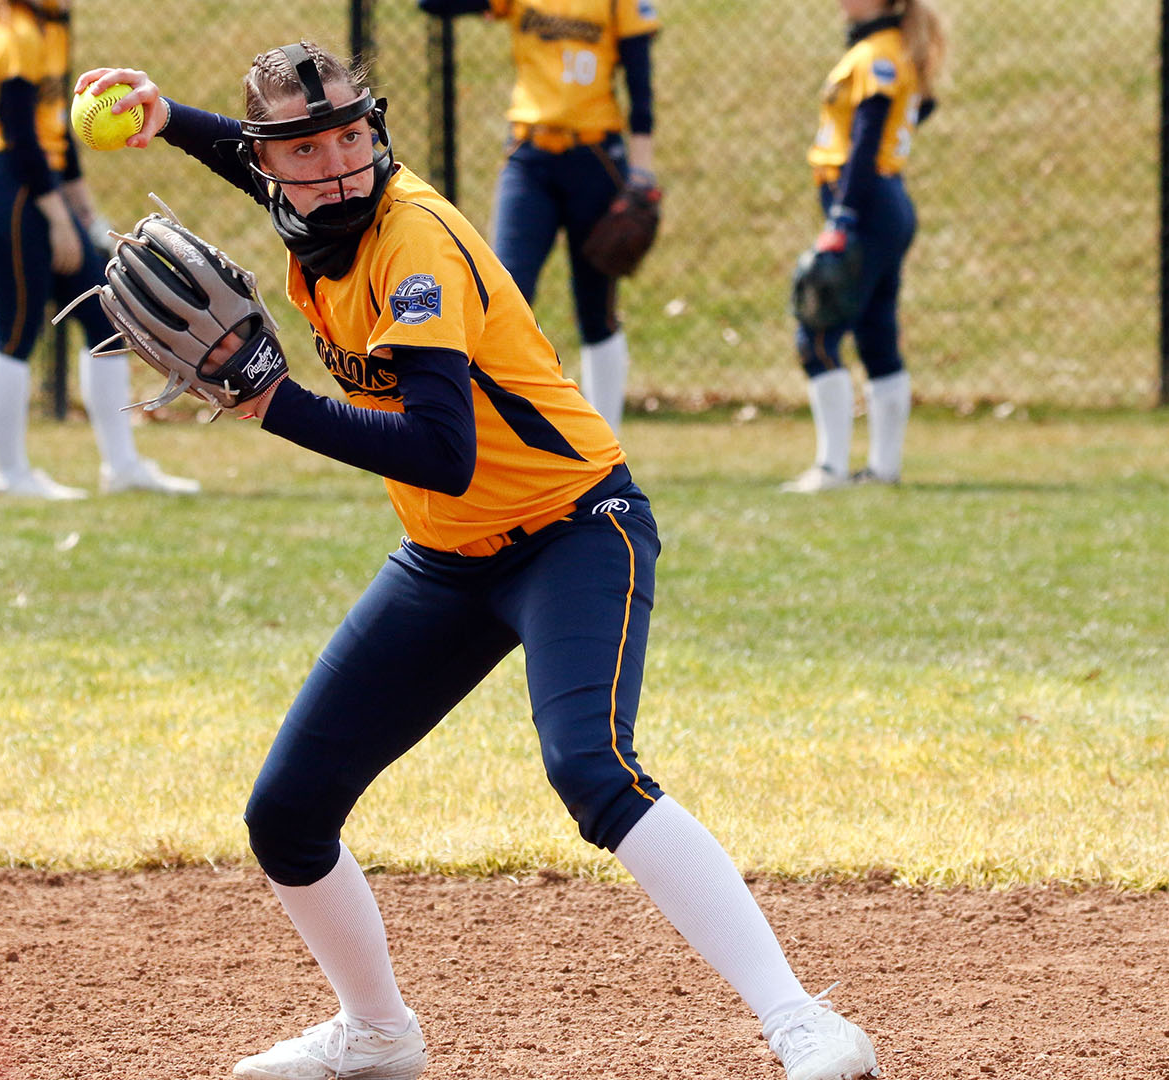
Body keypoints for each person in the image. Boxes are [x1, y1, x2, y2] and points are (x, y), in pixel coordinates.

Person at [75, 40, 880, 1080]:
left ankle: (804, 1023)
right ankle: (376, 1036)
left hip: (576, 528)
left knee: (592, 768)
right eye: (308, 150)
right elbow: (267, 162)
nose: (339, 164)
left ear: (377, 133)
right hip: (448, 560)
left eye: (354, 136)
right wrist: (169, 120)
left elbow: (441, 452)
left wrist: (272, 402)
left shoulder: (416, 244)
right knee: (286, 813)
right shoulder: (305, 200)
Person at [0, 0, 198, 498]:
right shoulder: (15, 34)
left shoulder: (50, 29)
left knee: (104, 321)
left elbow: (57, 135)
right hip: (11, 190)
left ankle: (122, 466)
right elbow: (21, 136)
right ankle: (10, 476)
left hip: (38, 187)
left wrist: (84, 211)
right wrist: (58, 220)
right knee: (16, 331)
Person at [413, 0, 660, 434]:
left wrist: (641, 172)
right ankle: (501, 434)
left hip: (596, 156)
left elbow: (641, 88)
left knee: (595, 307)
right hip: (529, 157)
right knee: (505, 292)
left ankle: (605, 444)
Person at [783, 0, 945, 494]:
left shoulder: (879, 53)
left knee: (816, 333)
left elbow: (867, 141)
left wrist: (843, 217)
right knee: (876, 332)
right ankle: (882, 469)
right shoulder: (886, 49)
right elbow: (917, 109)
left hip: (867, 204)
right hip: (882, 204)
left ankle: (831, 468)